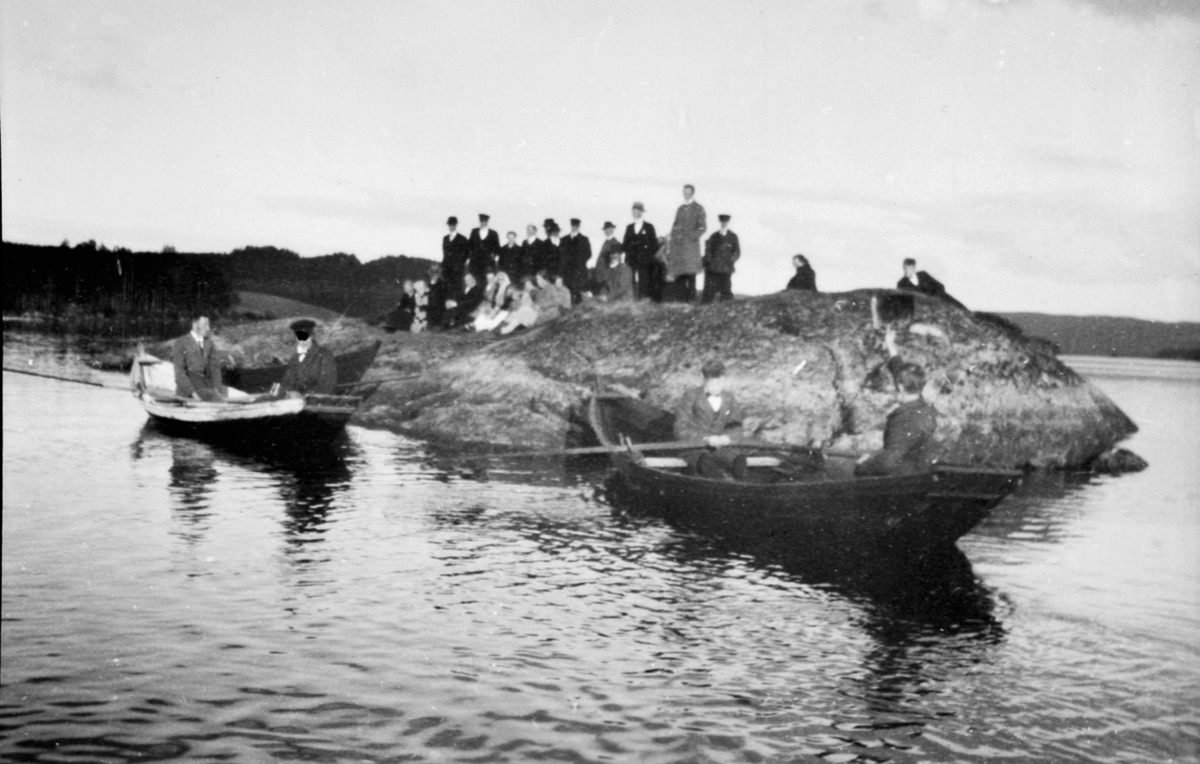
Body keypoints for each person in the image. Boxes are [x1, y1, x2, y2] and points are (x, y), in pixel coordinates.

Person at [855, 327, 944, 476]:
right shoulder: (924, 406)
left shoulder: (905, 419)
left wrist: (862, 466)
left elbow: (889, 462)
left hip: (903, 481)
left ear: (901, 388)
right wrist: (890, 346)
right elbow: (901, 372)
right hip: (918, 472)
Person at [673, 359, 748, 480]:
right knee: (706, 464)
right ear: (704, 381)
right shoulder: (690, 396)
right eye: (713, 384)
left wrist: (728, 437)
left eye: (720, 384)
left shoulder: (729, 397)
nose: (717, 388)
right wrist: (705, 438)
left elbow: (736, 426)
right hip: (696, 448)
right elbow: (680, 428)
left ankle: (741, 489)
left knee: (740, 460)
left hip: (721, 448)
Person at [275, 318, 337, 396]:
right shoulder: (294, 358)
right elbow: (287, 382)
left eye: (305, 337)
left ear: (312, 336)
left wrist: (303, 396)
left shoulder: (325, 355)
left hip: (317, 402)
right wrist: (288, 392)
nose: (303, 341)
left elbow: (328, 384)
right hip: (296, 402)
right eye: (299, 337)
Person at [666, 184, 706, 302]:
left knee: (691, 275)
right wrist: (671, 236)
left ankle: (692, 301)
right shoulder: (680, 209)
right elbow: (675, 226)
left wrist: (691, 237)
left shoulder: (698, 208)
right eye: (685, 193)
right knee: (680, 274)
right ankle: (681, 302)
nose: (686, 195)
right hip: (679, 247)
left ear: (692, 193)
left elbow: (702, 227)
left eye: (688, 193)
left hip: (691, 248)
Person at [172, 315, 226, 401]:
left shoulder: (209, 343)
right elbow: (179, 373)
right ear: (195, 326)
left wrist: (217, 389)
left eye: (208, 325)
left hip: (207, 390)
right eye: (205, 325)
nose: (208, 329)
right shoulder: (180, 343)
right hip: (187, 394)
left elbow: (215, 369)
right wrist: (193, 394)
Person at [623, 201, 661, 301]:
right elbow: (625, 244)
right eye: (633, 211)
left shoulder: (649, 227)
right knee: (630, 280)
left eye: (636, 211)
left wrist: (647, 255)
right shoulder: (629, 227)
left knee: (644, 281)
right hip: (631, 259)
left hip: (644, 260)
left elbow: (654, 245)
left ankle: (643, 300)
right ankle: (632, 300)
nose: (634, 213)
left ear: (641, 212)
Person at [896, 258, 965, 308]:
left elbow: (940, 286)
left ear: (914, 268)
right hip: (924, 306)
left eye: (909, 268)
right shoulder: (901, 283)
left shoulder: (923, 274)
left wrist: (935, 295)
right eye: (905, 268)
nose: (907, 271)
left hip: (938, 299)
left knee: (958, 306)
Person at [701, 213, 740, 303]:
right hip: (714, 267)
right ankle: (706, 305)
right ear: (720, 222)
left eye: (726, 221)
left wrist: (730, 260)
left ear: (728, 222)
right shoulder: (713, 236)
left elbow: (737, 252)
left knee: (726, 288)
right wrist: (711, 262)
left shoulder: (733, 237)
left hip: (726, 267)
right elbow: (708, 250)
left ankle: (726, 305)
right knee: (710, 289)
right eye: (722, 221)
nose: (724, 223)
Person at [561, 217, 592, 304]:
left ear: (579, 226)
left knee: (579, 295)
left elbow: (589, 254)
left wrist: (579, 261)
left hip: (579, 272)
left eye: (576, 226)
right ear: (571, 226)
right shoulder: (564, 239)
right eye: (573, 225)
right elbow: (561, 255)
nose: (574, 227)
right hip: (567, 272)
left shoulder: (584, 239)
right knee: (568, 295)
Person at [468, 213, 501, 283]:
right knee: (475, 279)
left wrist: (494, 257)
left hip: (487, 262)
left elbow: (497, 248)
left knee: (486, 280)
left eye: (484, 221)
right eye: (481, 221)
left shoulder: (493, 233)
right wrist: (470, 256)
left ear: (486, 222)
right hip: (475, 262)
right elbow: (469, 245)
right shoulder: (474, 231)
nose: (482, 223)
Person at [442, 217, 470, 296]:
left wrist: (459, 263)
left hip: (457, 270)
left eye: (452, 224)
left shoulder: (462, 239)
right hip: (447, 269)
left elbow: (467, 253)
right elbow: (445, 253)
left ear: (456, 225)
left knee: (457, 289)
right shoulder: (445, 238)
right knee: (446, 289)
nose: (451, 226)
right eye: (449, 224)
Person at [593, 221, 623, 295]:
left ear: (612, 230)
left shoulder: (616, 243)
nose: (606, 231)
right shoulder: (606, 242)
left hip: (608, 272)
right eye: (605, 230)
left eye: (608, 229)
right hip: (602, 271)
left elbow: (616, 261)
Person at [426, 264, 450, 329]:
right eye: (433, 272)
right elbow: (427, 294)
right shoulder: (429, 283)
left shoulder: (442, 283)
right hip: (431, 304)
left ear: (439, 274)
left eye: (436, 272)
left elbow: (444, 294)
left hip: (440, 304)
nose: (434, 275)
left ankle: (438, 323)